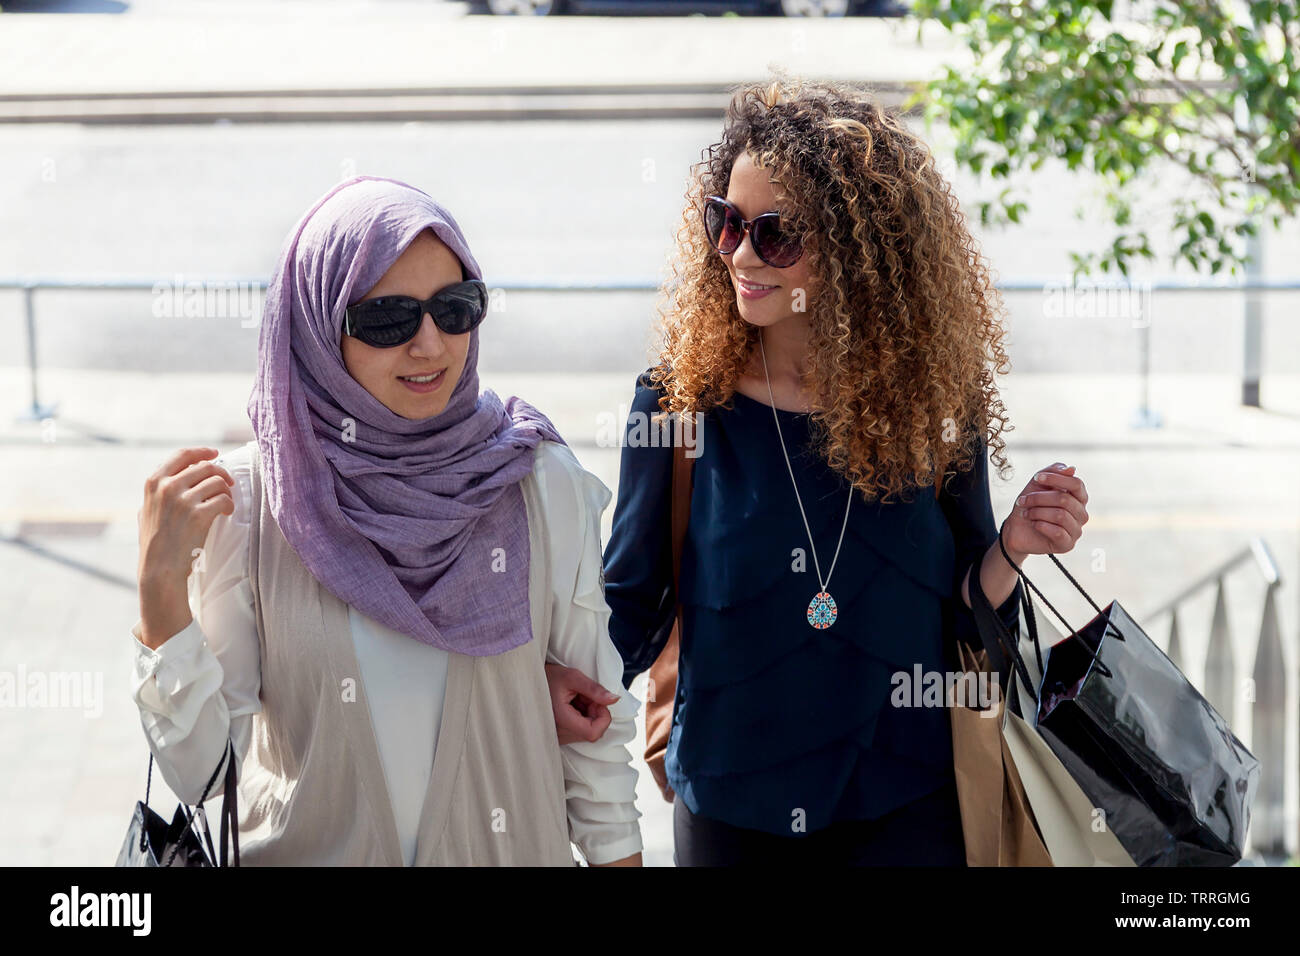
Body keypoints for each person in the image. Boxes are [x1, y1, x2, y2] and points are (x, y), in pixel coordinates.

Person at [559, 77, 1090, 866]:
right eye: (727, 224)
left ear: (857, 249)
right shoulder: (678, 407)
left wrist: (1013, 546)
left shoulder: (935, 402)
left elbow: (970, 623)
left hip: (911, 805)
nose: (741, 254)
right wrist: (535, 672)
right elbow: (630, 607)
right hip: (732, 808)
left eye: (776, 234)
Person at [129, 175, 642, 866]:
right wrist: (161, 602)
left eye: (455, 308)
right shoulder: (254, 505)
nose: (430, 345)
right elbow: (207, 777)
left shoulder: (533, 479)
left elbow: (595, 740)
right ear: (314, 327)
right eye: (386, 319)